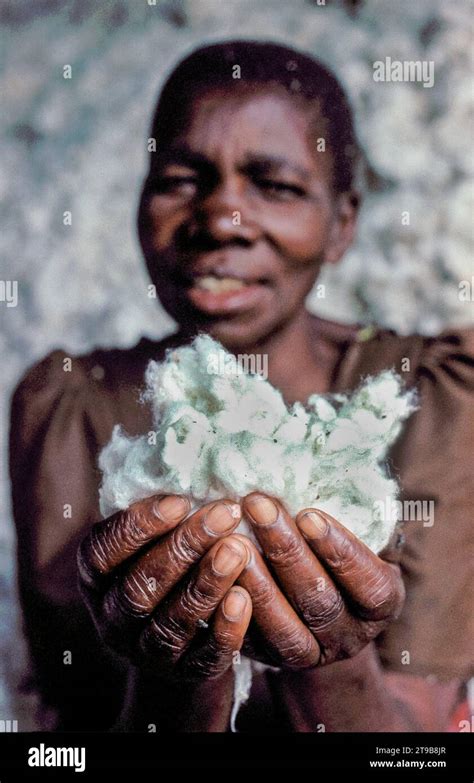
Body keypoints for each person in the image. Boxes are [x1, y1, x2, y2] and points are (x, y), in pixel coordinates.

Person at [9, 40, 473, 733]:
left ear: (342, 221)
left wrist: (330, 655)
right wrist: (180, 673)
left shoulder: (431, 397)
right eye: (179, 179)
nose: (221, 218)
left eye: (276, 185)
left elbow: (417, 739)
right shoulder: (68, 405)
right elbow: (77, 728)